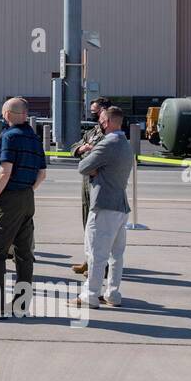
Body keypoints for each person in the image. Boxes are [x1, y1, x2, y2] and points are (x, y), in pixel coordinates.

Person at [0, 97, 46, 320]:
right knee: (24, 253)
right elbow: (42, 173)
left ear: (7, 114)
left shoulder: (9, 137)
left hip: (9, 198)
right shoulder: (34, 137)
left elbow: (5, 170)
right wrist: (27, 189)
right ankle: (21, 303)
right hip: (27, 197)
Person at [72, 105, 133, 308]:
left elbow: (83, 167)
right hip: (120, 205)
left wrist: (94, 169)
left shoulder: (108, 143)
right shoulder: (125, 142)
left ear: (106, 122)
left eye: (101, 120)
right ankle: (113, 294)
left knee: (96, 253)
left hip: (104, 204)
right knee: (116, 254)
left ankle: (90, 295)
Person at [69, 97, 110, 275]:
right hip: (86, 181)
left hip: (100, 181)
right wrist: (82, 149)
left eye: (95, 112)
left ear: (104, 111)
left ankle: (102, 265)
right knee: (87, 223)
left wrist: (89, 153)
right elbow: (74, 146)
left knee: (99, 226)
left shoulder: (109, 133)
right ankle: (89, 259)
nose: (93, 115)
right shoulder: (92, 132)